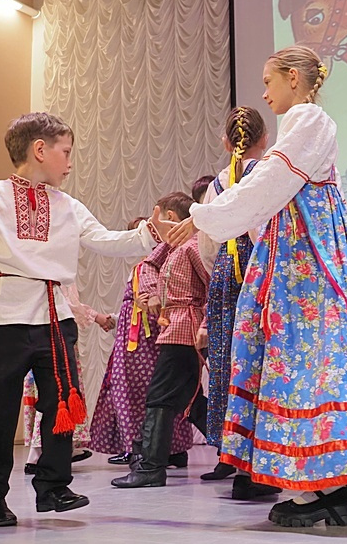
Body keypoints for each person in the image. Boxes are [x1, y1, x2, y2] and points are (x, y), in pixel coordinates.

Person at [168, 46, 347, 527]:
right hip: (299, 253)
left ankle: (330, 485)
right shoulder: (304, 123)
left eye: (269, 81)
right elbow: (267, 187)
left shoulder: (307, 118)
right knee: (320, 359)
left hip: (305, 260)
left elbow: (270, 182)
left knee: (303, 356)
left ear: (293, 77)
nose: (265, 93)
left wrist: (203, 215)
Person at [0, 112, 172, 527]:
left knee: (62, 403)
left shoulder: (68, 206)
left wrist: (151, 232)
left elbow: (106, 240)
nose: (70, 163)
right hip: (1, 318)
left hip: (55, 317)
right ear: (40, 149)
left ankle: (53, 487)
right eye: (66, 152)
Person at [112, 192, 210, 489]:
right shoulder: (173, 244)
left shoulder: (197, 245)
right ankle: (238, 458)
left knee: (163, 396)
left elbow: (213, 286)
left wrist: (206, 323)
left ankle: (150, 466)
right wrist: (151, 293)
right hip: (172, 326)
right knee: (185, 399)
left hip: (186, 327)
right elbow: (148, 266)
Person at [195, 107, 268, 489]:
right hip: (257, 272)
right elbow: (264, 229)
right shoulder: (266, 174)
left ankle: (232, 454)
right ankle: (259, 459)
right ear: (265, 140)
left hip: (225, 274)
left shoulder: (218, 184)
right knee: (260, 362)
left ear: (226, 143)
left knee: (226, 363)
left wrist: (224, 266)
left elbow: (207, 245)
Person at [89, 214, 196, 467]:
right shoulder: (142, 268)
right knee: (132, 391)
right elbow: (131, 310)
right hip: (133, 341)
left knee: (145, 392)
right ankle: (144, 447)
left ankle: (148, 449)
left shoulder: (161, 265)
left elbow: (149, 305)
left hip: (146, 341)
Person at [22, 283, 112, 474]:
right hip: (52, 340)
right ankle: (38, 454)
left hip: (38, 339)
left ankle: (59, 449)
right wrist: (97, 317)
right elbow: (67, 306)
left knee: (50, 396)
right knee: (54, 395)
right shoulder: (55, 276)